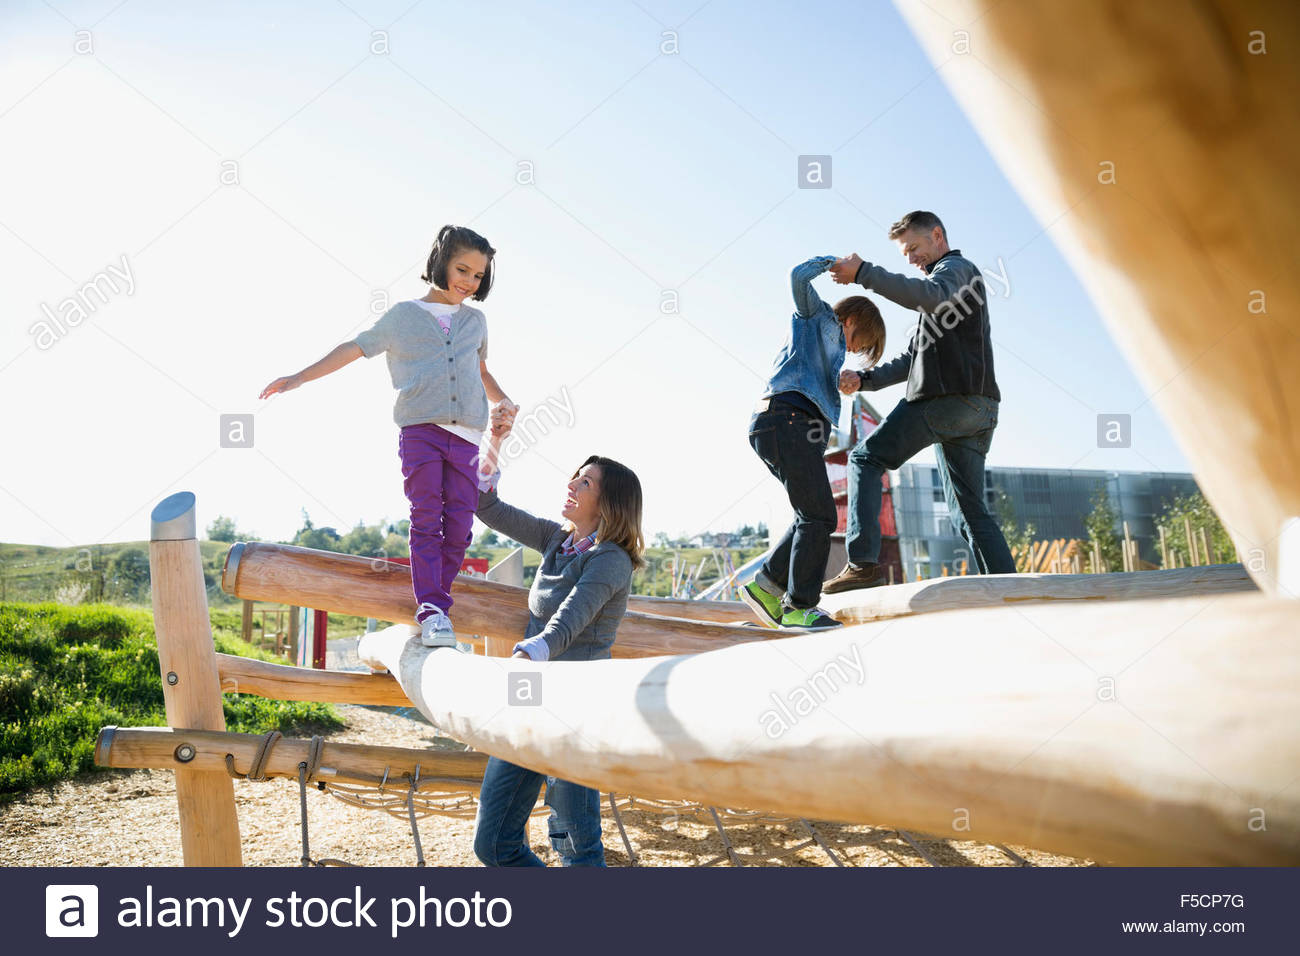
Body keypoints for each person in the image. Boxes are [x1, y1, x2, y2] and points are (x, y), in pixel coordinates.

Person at [259, 225, 518, 646]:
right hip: (421, 432)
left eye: (478, 275)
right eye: (462, 269)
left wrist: (505, 401)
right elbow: (354, 348)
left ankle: (436, 603)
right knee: (426, 519)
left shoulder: (477, 321)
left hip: (469, 436)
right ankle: (433, 608)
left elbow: (482, 372)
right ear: (440, 263)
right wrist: (299, 378)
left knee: (459, 529)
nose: (469, 282)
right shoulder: (402, 316)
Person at [824, 210, 1015, 592]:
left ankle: (862, 565)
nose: (911, 258)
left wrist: (864, 273)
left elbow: (929, 294)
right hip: (976, 411)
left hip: (947, 403)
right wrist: (864, 379)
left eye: (914, 247)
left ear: (938, 235)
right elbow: (913, 359)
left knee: (865, 457)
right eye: (905, 254)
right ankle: (1011, 590)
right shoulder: (941, 302)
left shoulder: (956, 270)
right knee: (968, 512)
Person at [471, 453, 644, 867]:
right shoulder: (555, 540)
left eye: (585, 483)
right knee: (493, 844)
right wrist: (492, 453)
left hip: (574, 709)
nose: (571, 485)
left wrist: (533, 651)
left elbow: (570, 618)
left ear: (608, 502)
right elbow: (487, 507)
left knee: (575, 849)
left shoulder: (611, 558)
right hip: (528, 698)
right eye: (574, 477)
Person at [740, 256, 886, 630]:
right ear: (851, 321)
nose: (851, 351)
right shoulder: (818, 318)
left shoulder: (829, 355)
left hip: (784, 426)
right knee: (820, 515)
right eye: (858, 342)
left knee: (810, 514)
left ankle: (768, 586)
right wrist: (831, 263)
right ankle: (799, 606)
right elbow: (797, 278)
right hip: (785, 420)